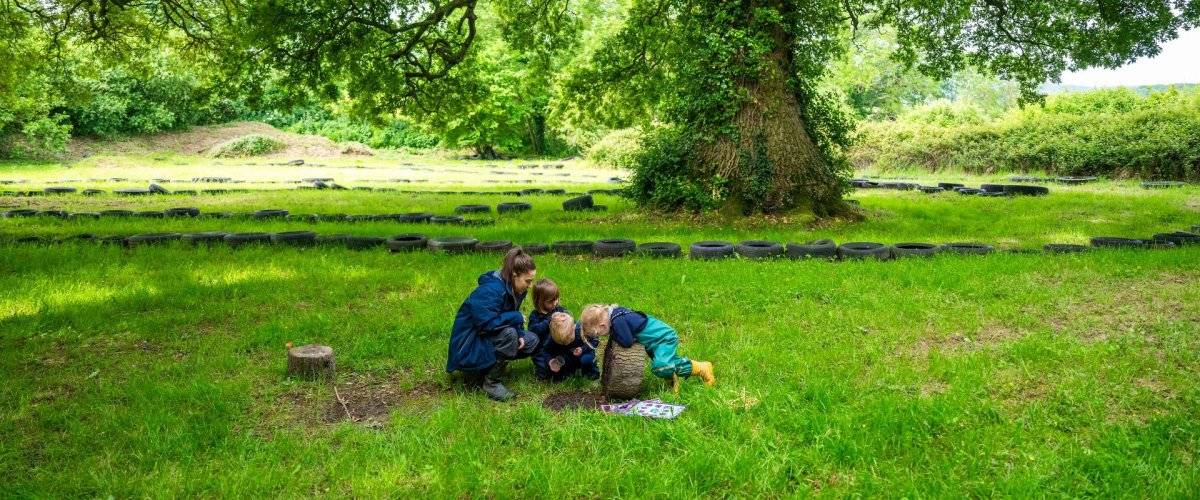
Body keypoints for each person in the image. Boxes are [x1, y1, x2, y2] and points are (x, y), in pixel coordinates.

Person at [446, 247, 540, 401]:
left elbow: (508, 317)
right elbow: (486, 324)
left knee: (531, 340)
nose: (530, 286)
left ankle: (485, 370)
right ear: (514, 274)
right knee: (509, 335)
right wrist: (515, 318)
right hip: (467, 348)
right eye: (528, 281)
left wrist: (520, 333)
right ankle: (491, 382)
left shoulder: (515, 288)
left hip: (484, 338)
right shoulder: (490, 290)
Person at [579, 304, 714, 393]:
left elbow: (626, 342)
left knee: (661, 366)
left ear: (603, 326)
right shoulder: (615, 315)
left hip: (663, 338)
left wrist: (614, 337)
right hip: (655, 342)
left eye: (598, 334)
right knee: (666, 363)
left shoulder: (617, 322)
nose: (601, 337)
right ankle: (673, 377)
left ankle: (702, 368)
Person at [539, 312, 600, 380]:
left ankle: (594, 376)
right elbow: (546, 351)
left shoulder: (581, 330)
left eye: (570, 339)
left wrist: (583, 349)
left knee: (586, 360)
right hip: (567, 356)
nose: (566, 343)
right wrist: (550, 360)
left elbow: (595, 341)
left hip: (585, 352)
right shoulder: (552, 337)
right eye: (561, 342)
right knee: (552, 374)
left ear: (574, 327)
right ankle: (571, 372)